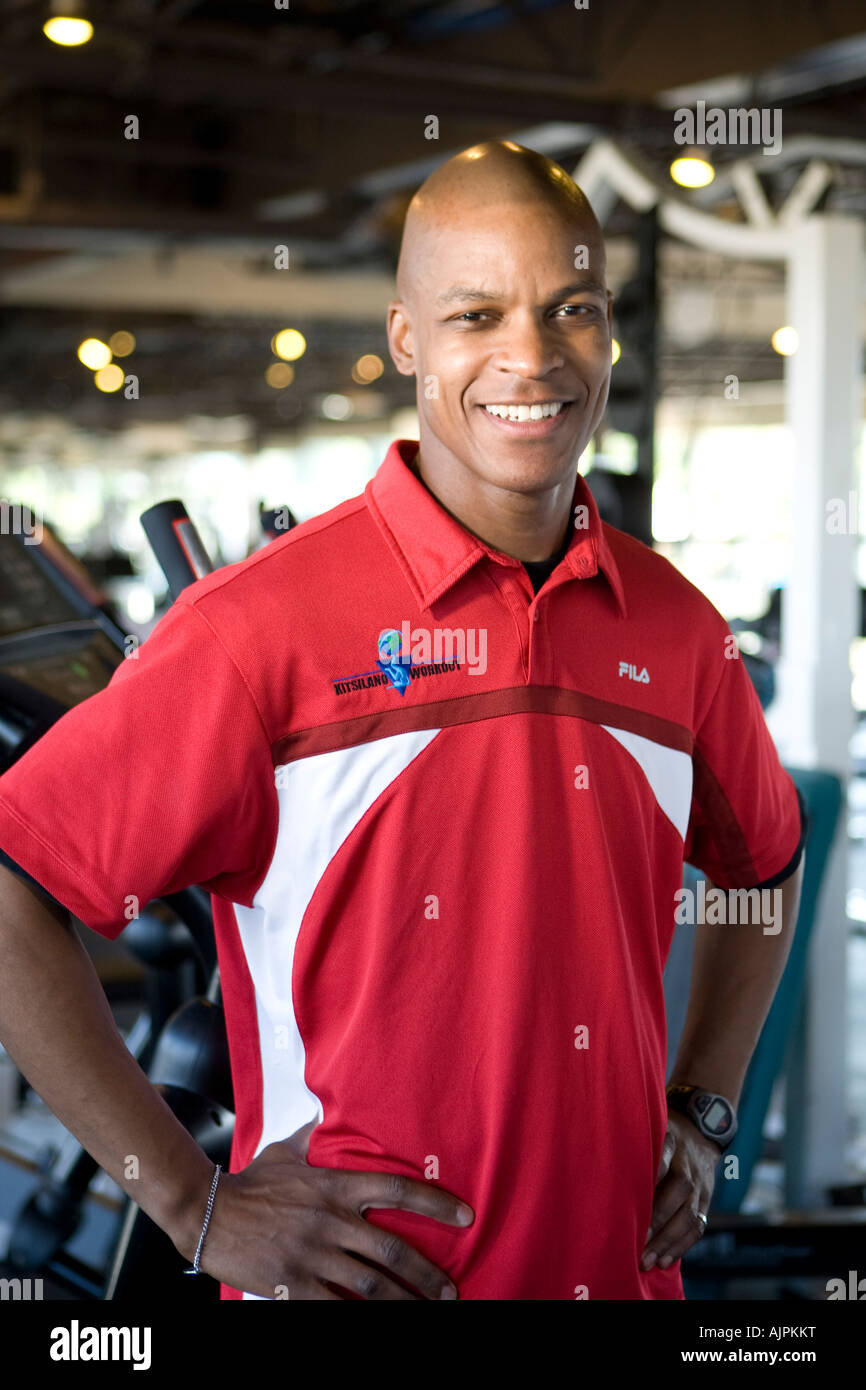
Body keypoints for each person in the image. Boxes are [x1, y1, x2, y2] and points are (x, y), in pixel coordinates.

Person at [0, 140, 804, 1301]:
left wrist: (705, 1102)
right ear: (405, 340)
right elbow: (17, 884)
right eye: (476, 314)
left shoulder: (678, 626)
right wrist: (189, 1200)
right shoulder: (256, 627)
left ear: (608, 327)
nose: (530, 356)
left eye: (568, 308)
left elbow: (761, 864)